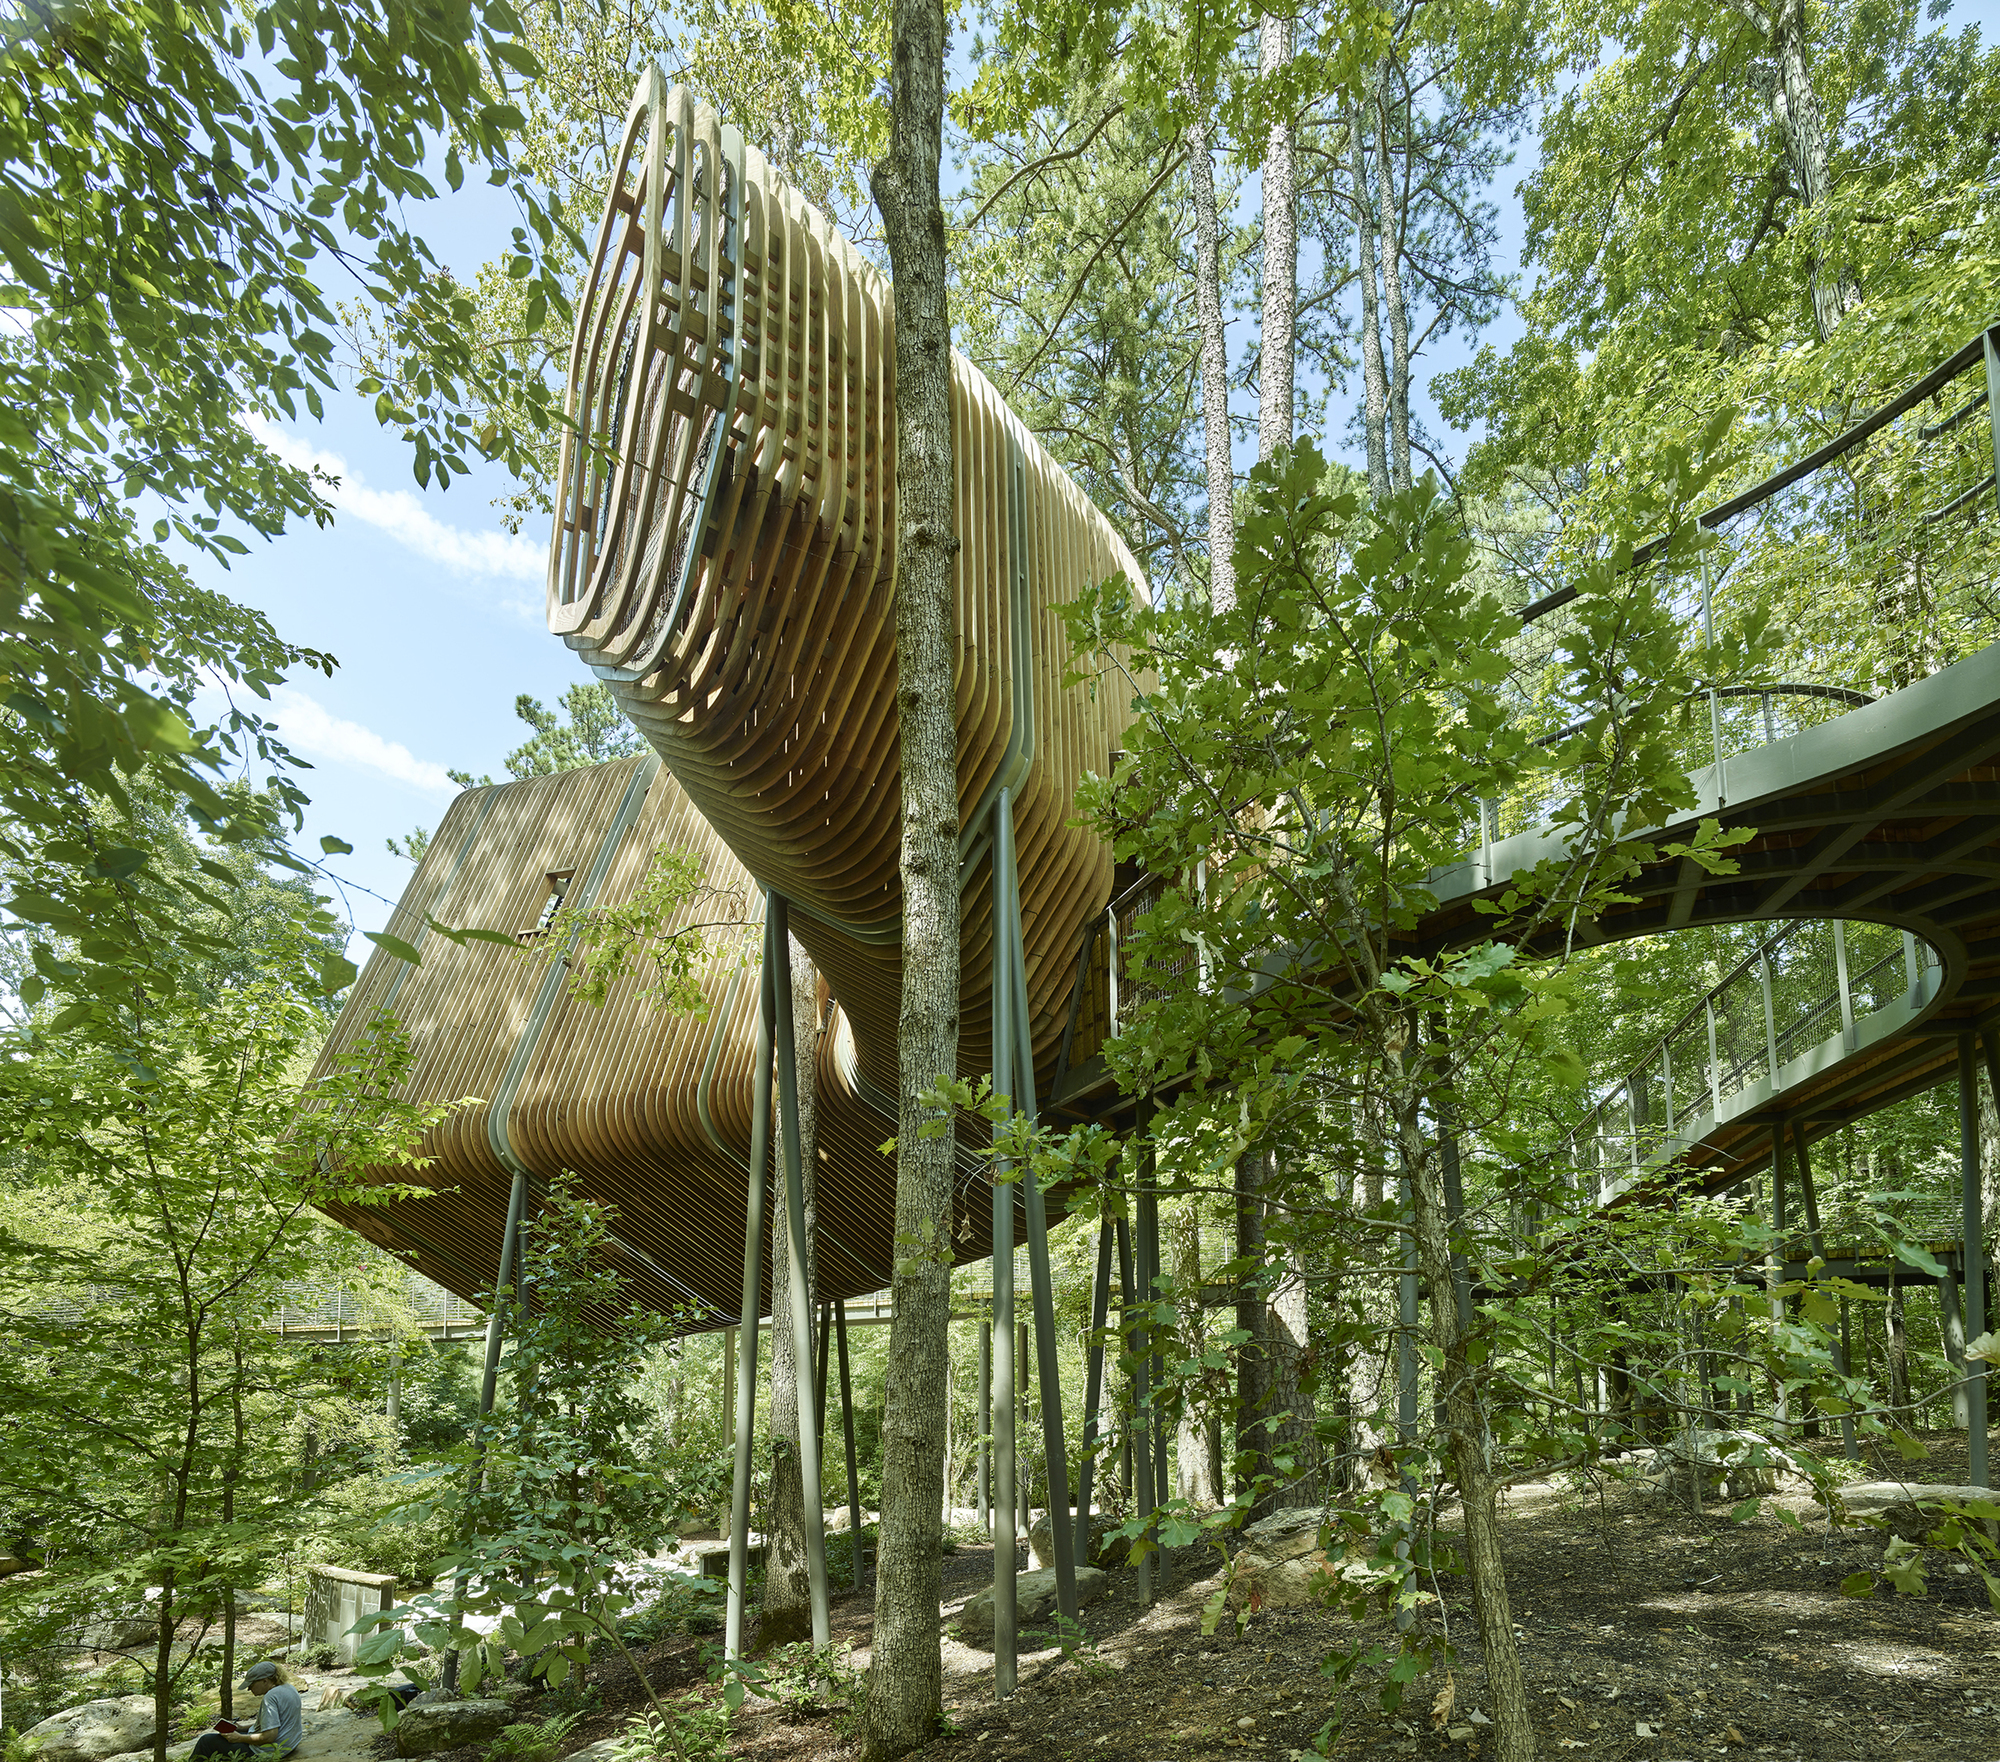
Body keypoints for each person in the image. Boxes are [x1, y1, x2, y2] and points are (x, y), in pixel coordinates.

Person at [192, 1662, 303, 1762]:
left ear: (265, 1680)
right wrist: (241, 1728)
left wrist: (239, 1738)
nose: (249, 1689)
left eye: (251, 1685)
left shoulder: (270, 1697)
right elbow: (276, 1723)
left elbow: (269, 1736)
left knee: (206, 1741)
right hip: (288, 1745)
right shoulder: (289, 1688)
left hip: (267, 1751)